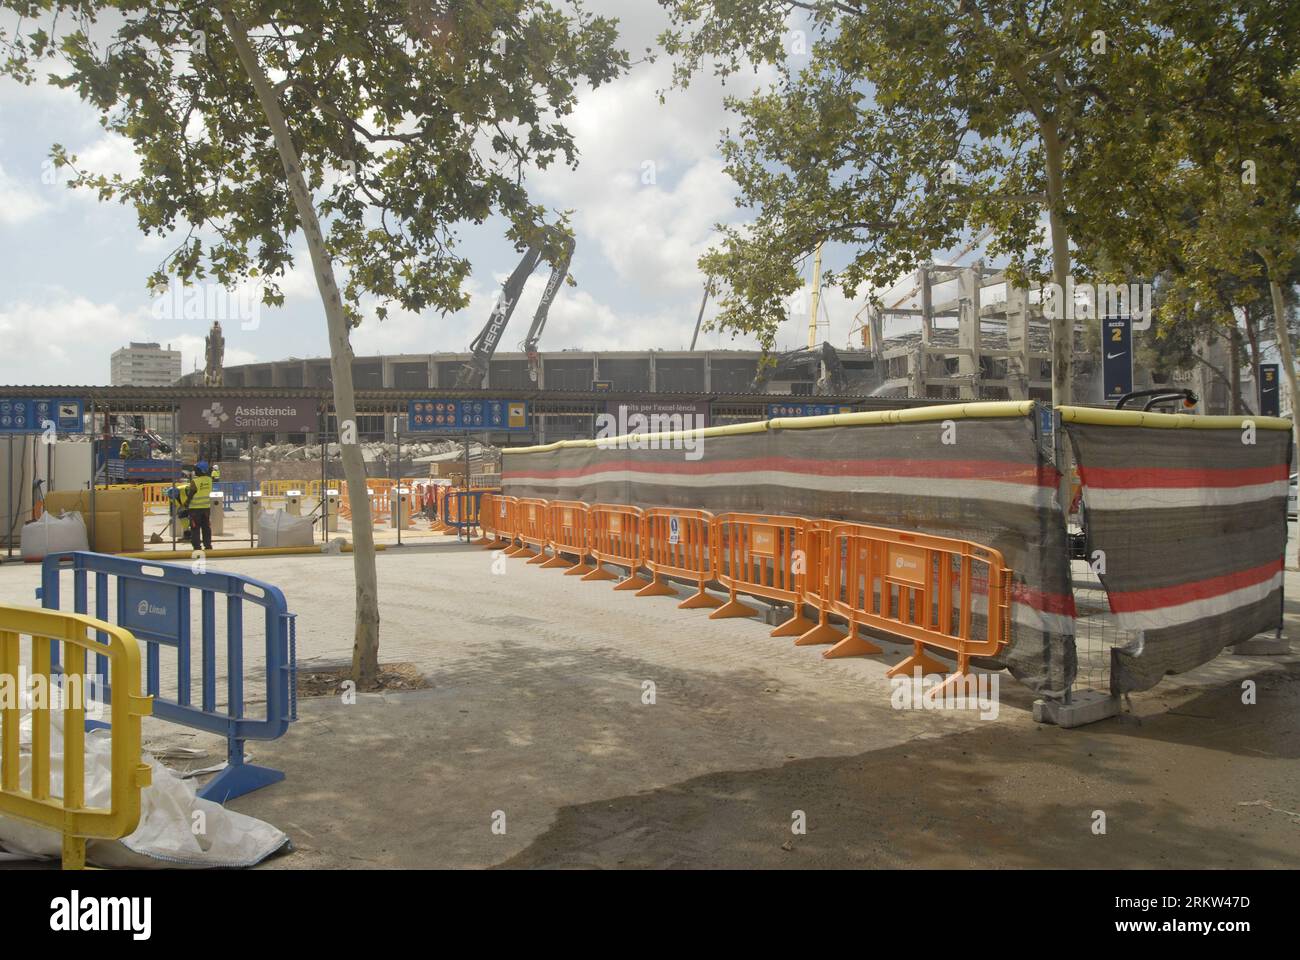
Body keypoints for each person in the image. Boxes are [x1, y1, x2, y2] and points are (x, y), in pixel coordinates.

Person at [180, 461, 214, 551]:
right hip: (206, 508)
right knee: (206, 527)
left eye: (196, 469)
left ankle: (197, 547)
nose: (195, 471)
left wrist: (185, 504)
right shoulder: (209, 480)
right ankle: (208, 546)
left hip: (195, 509)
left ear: (200, 470)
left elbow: (191, 494)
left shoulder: (195, 481)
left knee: (195, 528)